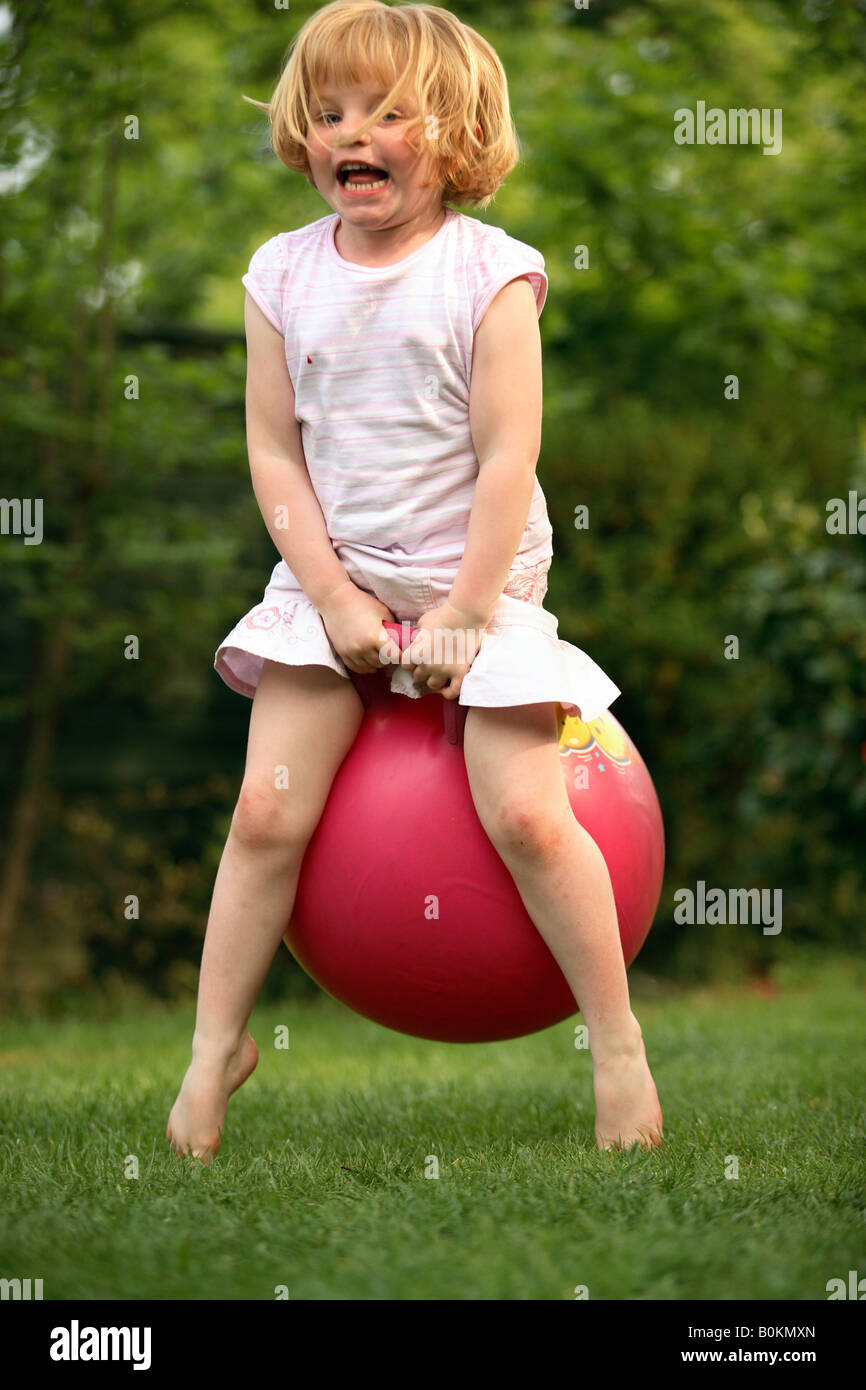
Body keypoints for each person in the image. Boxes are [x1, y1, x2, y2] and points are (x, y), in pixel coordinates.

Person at [167, 0, 662, 1162]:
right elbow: (273, 451)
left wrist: (465, 615)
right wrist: (335, 602)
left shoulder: (489, 274)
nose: (355, 133)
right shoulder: (280, 274)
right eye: (332, 112)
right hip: (333, 583)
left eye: (390, 113)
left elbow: (508, 456)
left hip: (473, 583)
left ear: (456, 136)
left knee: (533, 817)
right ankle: (211, 1050)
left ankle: (619, 1043)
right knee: (264, 812)